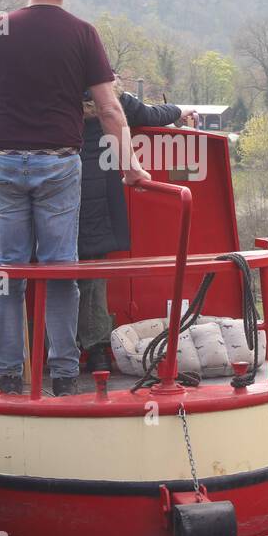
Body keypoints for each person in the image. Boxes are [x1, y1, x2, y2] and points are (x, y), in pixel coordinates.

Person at [0, 0, 149, 397]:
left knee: (8, 269)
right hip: (59, 164)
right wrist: (130, 168)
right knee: (60, 270)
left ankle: (10, 373)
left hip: (4, 161)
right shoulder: (83, 34)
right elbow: (110, 110)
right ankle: (65, 374)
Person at [77, 82, 195, 372]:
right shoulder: (110, 98)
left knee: (50, 272)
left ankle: (48, 353)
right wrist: (180, 110)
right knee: (92, 272)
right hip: (97, 198)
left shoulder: (51, 92)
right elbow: (150, 114)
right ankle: (97, 351)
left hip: (51, 194)